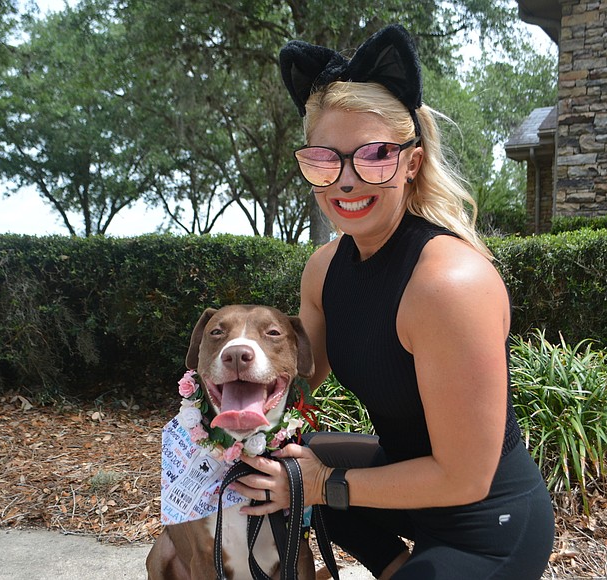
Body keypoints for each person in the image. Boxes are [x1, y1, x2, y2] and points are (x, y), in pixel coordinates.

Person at [230, 24, 555, 579]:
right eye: (324, 160)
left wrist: (323, 484)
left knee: (309, 480)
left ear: (412, 162)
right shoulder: (324, 268)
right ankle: (399, 566)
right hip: (408, 483)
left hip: (487, 525)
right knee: (276, 465)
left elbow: (465, 478)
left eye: (375, 156)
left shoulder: (447, 284)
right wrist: (220, 407)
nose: (347, 181)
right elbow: (300, 382)